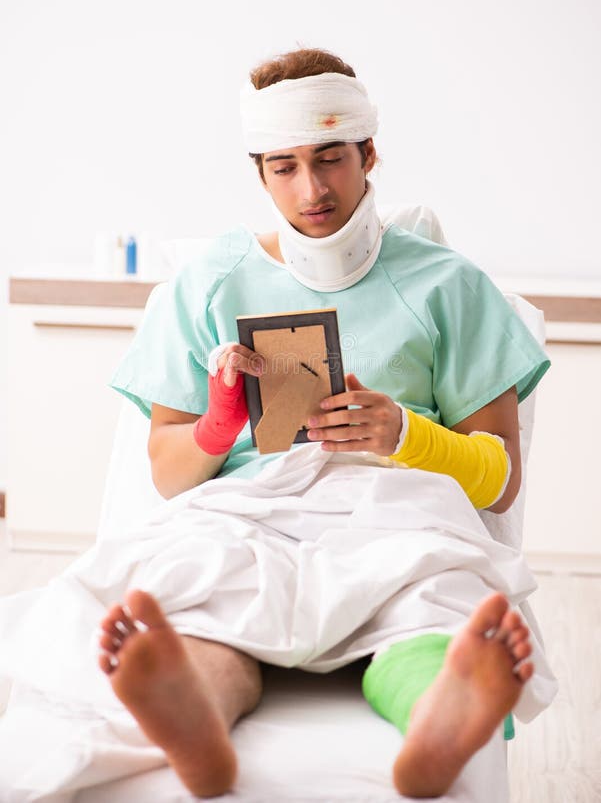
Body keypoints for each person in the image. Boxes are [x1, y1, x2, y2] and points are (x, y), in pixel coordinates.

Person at [0, 48, 557, 801]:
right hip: (245, 514)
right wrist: (218, 423)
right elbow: (167, 476)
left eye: (330, 159)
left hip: (396, 509)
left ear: (368, 154)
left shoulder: (447, 284)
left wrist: (406, 435)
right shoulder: (204, 286)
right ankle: (191, 710)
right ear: (259, 172)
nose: (312, 188)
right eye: (284, 166)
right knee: (204, 606)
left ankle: (439, 714)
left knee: (428, 602)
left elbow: (498, 480)